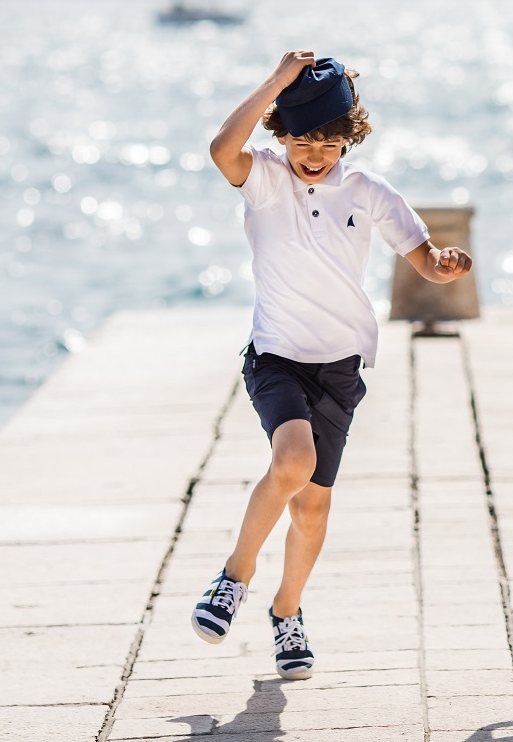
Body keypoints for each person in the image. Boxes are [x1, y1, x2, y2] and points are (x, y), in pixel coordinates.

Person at [194, 50, 472, 679]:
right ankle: (233, 577)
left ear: (350, 136)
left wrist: (443, 264)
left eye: (327, 139)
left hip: (340, 369)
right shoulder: (264, 180)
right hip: (276, 358)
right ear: (279, 133)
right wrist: (275, 81)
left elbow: (421, 255)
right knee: (293, 459)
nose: (313, 153)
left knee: (313, 507)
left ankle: (286, 612)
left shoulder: (368, 192)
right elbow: (220, 148)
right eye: (300, 139)